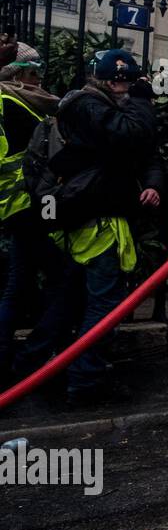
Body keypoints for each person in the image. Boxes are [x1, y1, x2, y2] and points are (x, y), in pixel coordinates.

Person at [19, 49, 166, 405]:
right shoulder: (86, 106)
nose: (123, 86)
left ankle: (33, 368)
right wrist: (143, 100)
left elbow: (147, 153)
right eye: (117, 80)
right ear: (101, 78)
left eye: (128, 81)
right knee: (104, 305)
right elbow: (131, 135)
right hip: (90, 220)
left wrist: (153, 184)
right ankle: (84, 380)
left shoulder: (109, 107)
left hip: (96, 217)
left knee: (70, 300)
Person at [0, 44, 77, 388]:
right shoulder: (15, 104)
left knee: (19, 286)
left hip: (18, 208)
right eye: (33, 73)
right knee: (64, 283)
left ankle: (10, 360)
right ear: (17, 76)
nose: (39, 79)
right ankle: (32, 356)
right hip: (29, 205)